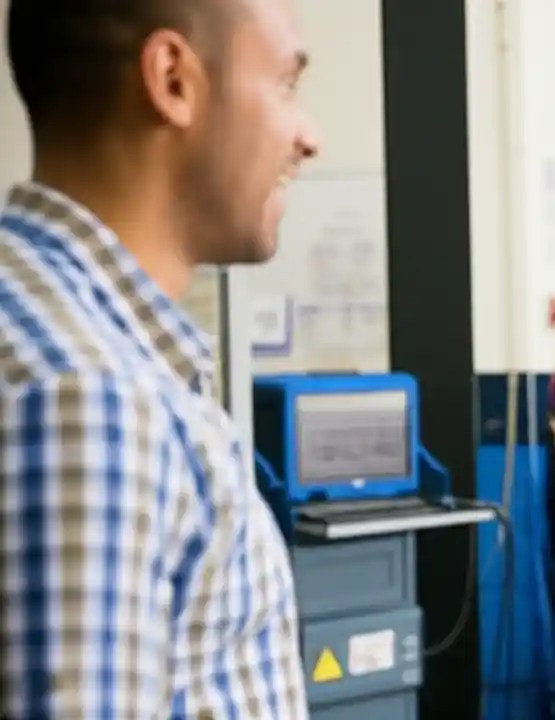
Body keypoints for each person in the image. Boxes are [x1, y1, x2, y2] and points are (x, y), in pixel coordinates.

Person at [0, 0, 320, 718]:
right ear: (173, 79)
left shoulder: (64, 337)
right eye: (286, 85)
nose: (310, 137)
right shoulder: (85, 400)